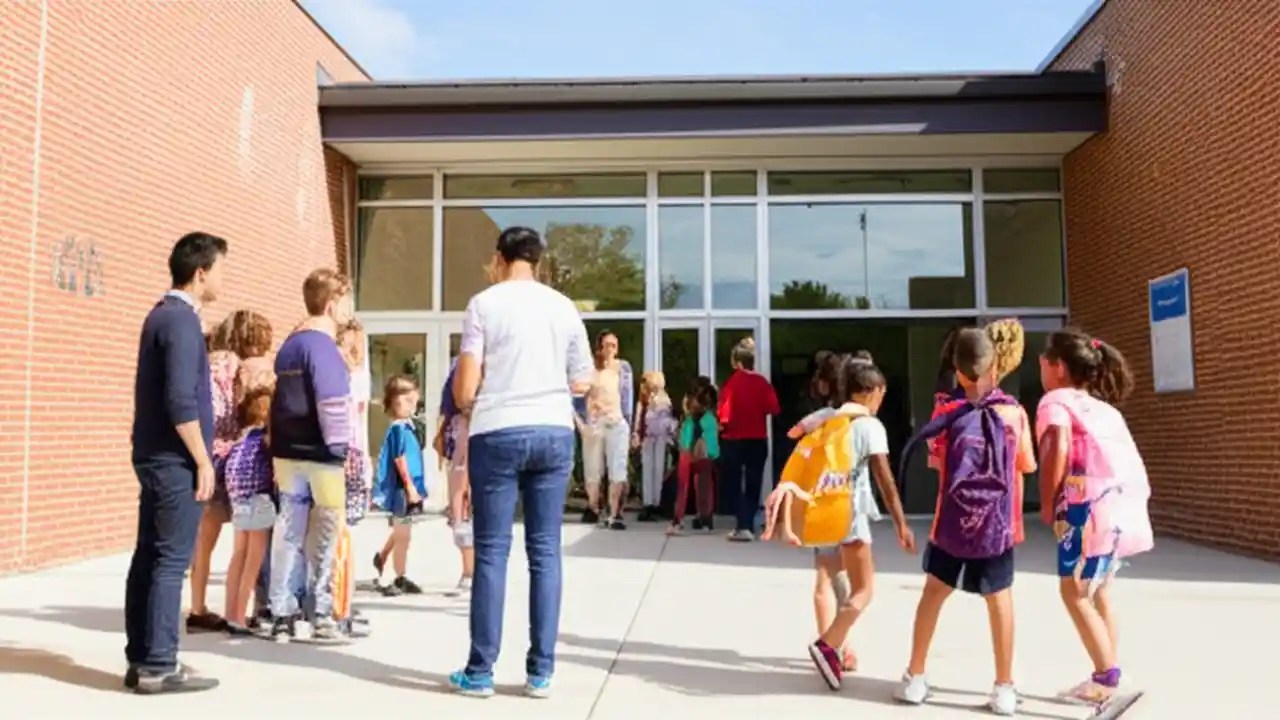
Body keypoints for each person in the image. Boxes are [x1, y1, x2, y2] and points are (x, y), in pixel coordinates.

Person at [449, 226, 594, 699]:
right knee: (545, 551)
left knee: (491, 551)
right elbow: (584, 379)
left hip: (499, 429)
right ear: (538, 260)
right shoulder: (563, 306)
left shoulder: (484, 304)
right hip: (553, 429)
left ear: (499, 259)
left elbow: (464, 390)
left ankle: (480, 670)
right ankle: (541, 672)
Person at [893, 329, 1036, 715]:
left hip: (951, 525)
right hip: (998, 527)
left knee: (933, 597)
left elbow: (937, 464)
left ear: (957, 370)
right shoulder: (1014, 413)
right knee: (1000, 601)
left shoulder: (945, 414)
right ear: (995, 367)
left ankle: (916, 677)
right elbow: (1027, 466)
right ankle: (1004, 687)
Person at [124, 231, 226, 694]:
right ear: (200, 272)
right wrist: (203, 461)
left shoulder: (159, 317)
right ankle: (160, 664)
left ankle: (142, 658)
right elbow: (181, 400)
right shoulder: (181, 322)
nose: (222, 278)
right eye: (219, 269)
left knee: (149, 557)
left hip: (154, 455)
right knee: (169, 561)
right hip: (174, 460)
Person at [1037, 329, 1153, 708]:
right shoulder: (1106, 410)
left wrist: (1048, 502)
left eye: (1044, 360)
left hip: (1084, 507)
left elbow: (1058, 445)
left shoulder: (1055, 401)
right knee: (1099, 590)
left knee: (1072, 592)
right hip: (1120, 509)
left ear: (1057, 367)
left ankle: (1108, 678)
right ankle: (1107, 672)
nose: (1040, 365)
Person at [267, 268, 352, 643]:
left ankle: (281, 611)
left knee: (288, 530)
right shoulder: (323, 348)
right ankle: (322, 614)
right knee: (326, 534)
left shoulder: (289, 346)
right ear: (332, 304)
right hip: (322, 455)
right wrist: (341, 449)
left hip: (286, 454)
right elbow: (333, 402)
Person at [221, 387, 275, 635]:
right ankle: (241, 617)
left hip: (237, 500)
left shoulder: (240, 440)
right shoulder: (263, 437)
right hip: (258, 499)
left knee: (238, 556)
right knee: (254, 562)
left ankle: (230, 612)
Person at [718, 337, 780, 541]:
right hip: (757, 438)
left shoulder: (731, 384)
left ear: (737, 362)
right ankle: (748, 525)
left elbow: (723, 416)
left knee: (734, 483)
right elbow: (773, 408)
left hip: (734, 439)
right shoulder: (762, 382)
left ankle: (741, 524)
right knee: (754, 482)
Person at [372, 375, 427, 596]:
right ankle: (396, 577)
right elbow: (399, 459)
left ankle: (386, 563)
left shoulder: (407, 427)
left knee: (402, 531)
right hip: (402, 491)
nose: (412, 404)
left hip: (407, 489)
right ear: (397, 403)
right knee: (403, 534)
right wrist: (410, 487)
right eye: (407, 400)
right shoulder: (399, 429)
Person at [336, 320, 372, 632]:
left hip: (352, 456)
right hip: (347, 455)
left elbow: (359, 422)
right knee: (340, 534)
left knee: (344, 533)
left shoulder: (356, 376)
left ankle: (343, 600)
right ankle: (340, 602)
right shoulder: (349, 375)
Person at [579, 330, 634, 529]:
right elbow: (576, 399)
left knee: (617, 469)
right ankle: (594, 507)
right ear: (599, 348)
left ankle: (614, 514)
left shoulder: (623, 368)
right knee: (593, 471)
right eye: (607, 345)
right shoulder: (590, 370)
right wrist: (581, 424)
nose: (610, 349)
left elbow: (628, 398)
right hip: (595, 424)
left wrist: (631, 426)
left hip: (616, 422)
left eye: (614, 345)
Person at [436, 357, 476, 597]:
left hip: (466, 479)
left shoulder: (464, 424)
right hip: (462, 476)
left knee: (465, 518)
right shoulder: (456, 423)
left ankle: (470, 573)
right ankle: (469, 572)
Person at [670, 384, 719, 535]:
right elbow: (712, 441)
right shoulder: (707, 419)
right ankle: (704, 518)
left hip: (691, 455)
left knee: (686, 488)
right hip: (702, 457)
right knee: (702, 488)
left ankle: (681, 519)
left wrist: (683, 448)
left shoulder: (690, 419)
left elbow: (685, 439)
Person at [632, 371, 677, 523]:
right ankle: (648, 502)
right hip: (648, 439)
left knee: (657, 469)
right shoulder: (644, 401)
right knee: (648, 469)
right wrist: (636, 434)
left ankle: (656, 502)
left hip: (659, 438)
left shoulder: (663, 400)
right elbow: (639, 419)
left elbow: (665, 422)